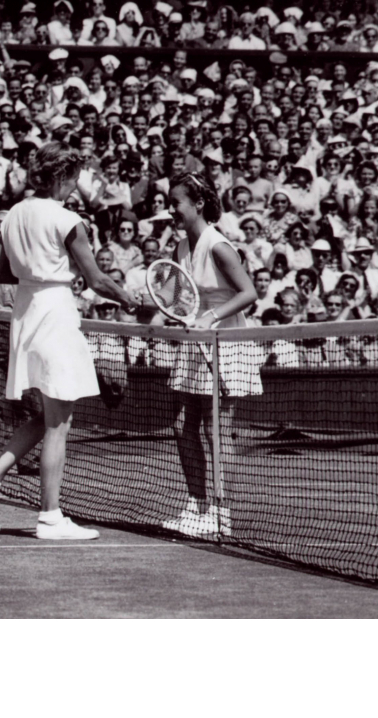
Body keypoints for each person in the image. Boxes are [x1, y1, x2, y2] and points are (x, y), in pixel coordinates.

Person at [0, 142, 137, 540]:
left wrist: (39, 268)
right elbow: (97, 280)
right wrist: (128, 298)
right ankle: (50, 517)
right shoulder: (67, 220)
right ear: (61, 176)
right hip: (55, 313)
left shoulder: (12, 216)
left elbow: (3, 273)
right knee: (60, 422)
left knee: (48, 416)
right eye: (74, 179)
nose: (76, 188)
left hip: (26, 313)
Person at [161, 172, 258, 537]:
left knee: (216, 430)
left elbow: (248, 292)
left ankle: (220, 513)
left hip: (226, 340)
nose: (171, 210)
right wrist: (144, 308)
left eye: (176, 203)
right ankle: (196, 505)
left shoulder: (218, 247)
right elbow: (170, 298)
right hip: (196, 340)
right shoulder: (180, 247)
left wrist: (211, 317)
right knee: (181, 425)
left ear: (198, 204)